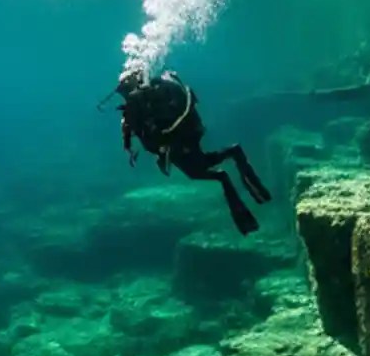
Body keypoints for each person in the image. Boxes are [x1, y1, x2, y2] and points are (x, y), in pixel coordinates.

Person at [115, 69, 271, 235]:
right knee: (202, 169)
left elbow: (155, 125)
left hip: (179, 143)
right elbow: (133, 132)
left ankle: (242, 185)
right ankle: (248, 183)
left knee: (202, 171)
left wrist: (148, 145)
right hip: (177, 144)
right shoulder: (139, 104)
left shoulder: (148, 98)